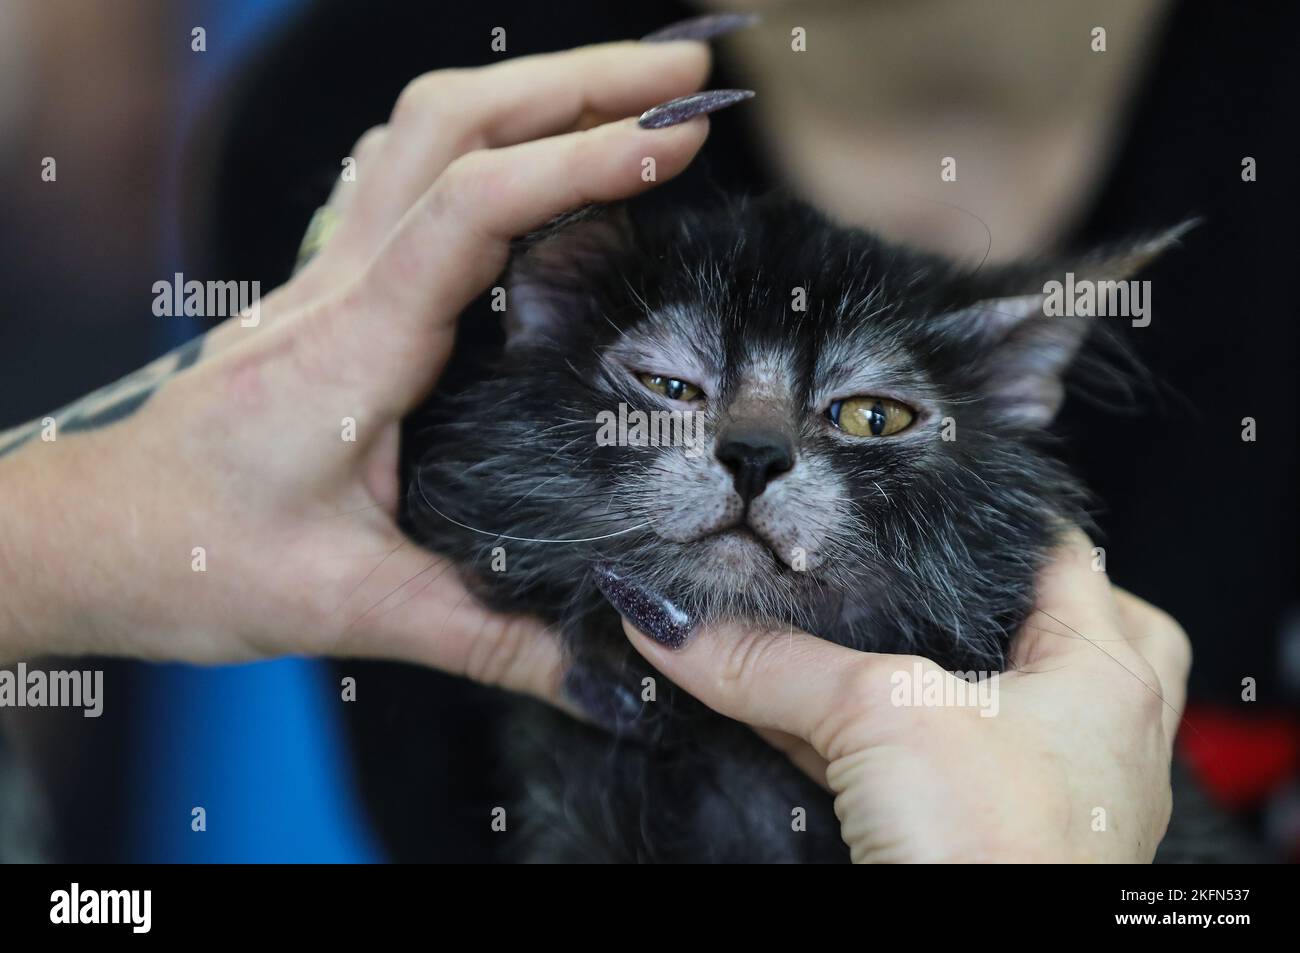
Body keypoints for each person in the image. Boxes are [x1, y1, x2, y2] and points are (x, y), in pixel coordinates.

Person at [0, 32, 1191, 862]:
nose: (752, 452)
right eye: (670, 385)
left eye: (870, 418)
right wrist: (49, 539)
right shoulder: (352, 108)